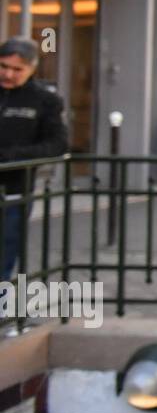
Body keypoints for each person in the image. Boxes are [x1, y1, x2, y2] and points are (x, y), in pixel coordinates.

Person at [0, 38, 68, 280]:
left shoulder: (44, 100)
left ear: (31, 68)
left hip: (16, 188)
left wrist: (13, 156)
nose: (8, 74)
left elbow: (57, 144)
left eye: (17, 69)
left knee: (5, 252)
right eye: (3, 66)